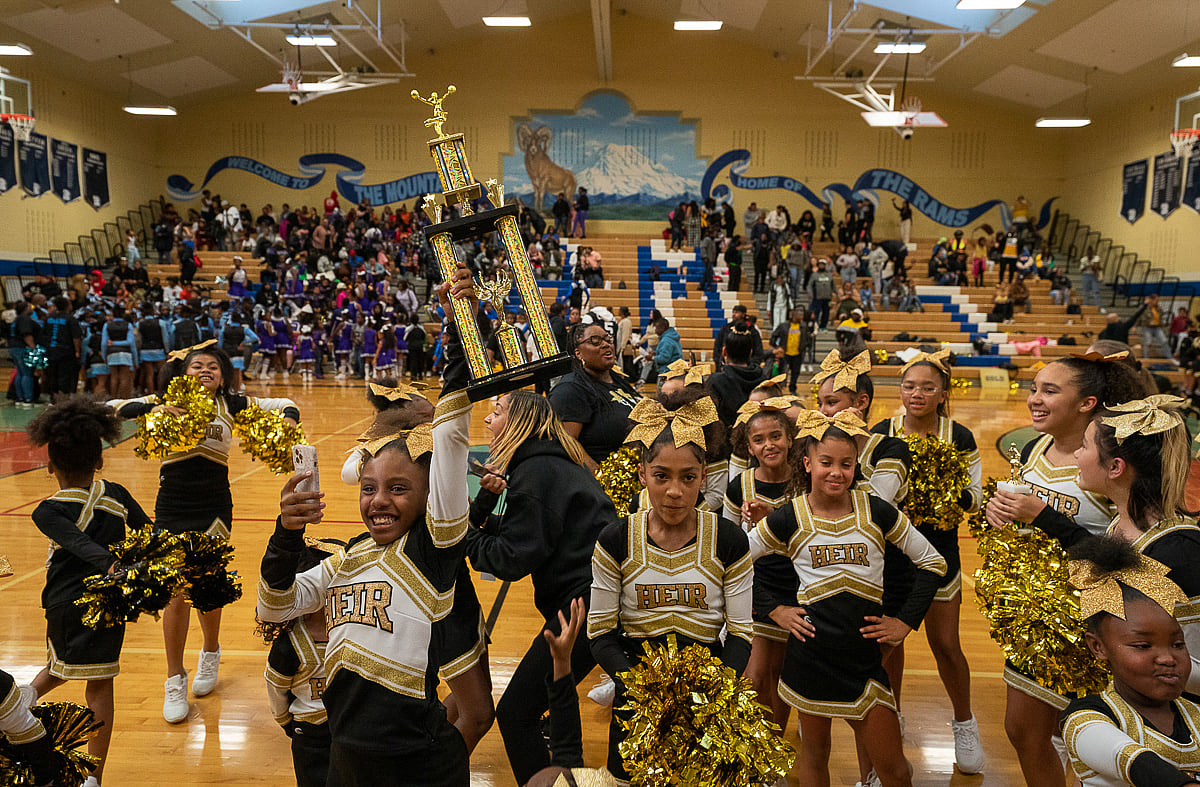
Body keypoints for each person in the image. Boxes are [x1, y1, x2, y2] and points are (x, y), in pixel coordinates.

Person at [258, 274, 475, 785]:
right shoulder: (347, 558)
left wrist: (461, 330)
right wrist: (285, 533)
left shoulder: (432, 548)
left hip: (417, 764)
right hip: (344, 758)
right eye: (370, 487)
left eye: (399, 489)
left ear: (427, 496)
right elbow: (274, 605)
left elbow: (451, 439)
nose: (379, 500)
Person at [748, 410, 947, 787]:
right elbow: (735, 565)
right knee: (814, 756)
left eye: (846, 463)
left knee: (894, 768)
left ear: (857, 464)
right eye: (825, 463)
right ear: (806, 463)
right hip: (811, 656)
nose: (836, 472)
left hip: (863, 660)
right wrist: (775, 610)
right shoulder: (788, 517)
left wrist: (905, 621)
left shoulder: (876, 511)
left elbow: (932, 562)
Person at [110, 345, 300, 724]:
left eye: (213, 366)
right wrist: (151, 409)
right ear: (183, 372)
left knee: (207, 586)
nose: (205, 370)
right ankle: (173, 677)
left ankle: (210, 652)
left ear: (223, 374)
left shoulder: (232, 404)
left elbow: (284, 402)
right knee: (175, 594)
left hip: (214, 507)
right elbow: (111, 408)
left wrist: (290, 422)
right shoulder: (164, 399)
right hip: (171, 505)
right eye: (197, 365)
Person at [984, 356, 1146, 787]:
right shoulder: (1037, 447)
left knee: (1083, 740)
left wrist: (1043, 516)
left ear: (1086, 403)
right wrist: (998, 513)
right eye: (1034, 388)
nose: (1035, 399)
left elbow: (1130, 557)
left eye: (1050, 391)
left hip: (1092, 620)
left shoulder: (1114, 464)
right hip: (1038, 620)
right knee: (1024, 729)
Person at [589, 398, 753, 783]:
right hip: (637, 698)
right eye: (662, 476)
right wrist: (641, 690)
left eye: (688, 477)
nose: (675, 491)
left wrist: (712, 693)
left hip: (709, 700)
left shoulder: (728, 540)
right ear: (643, 474)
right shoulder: (616, 539)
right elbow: (600, 632)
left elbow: (742, 632)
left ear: (704, 477)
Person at [468, 391, 617, 784]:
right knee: (552, 701)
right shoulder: (551, 463)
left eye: (496, 412)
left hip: (585, 603)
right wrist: (484, 509)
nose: (487, 421)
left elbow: (510, 558)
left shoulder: (536, 473)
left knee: (517, 712)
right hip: (598, 595)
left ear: (519, 422)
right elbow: (540, 533)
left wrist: (465, 537)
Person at [26, 395, 153, 786]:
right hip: (110, 603)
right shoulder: (115, 492)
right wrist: (130, 567)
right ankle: (92, 777)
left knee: (67, 669)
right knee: (85, 677)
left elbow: (142, 538)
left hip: (67, 604)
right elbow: (148, 535)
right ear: (99, 460)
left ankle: (14, 709)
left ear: (50, 465)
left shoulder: (46, 509)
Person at [872, 351, 986, 775]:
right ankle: (893, 715)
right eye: (908, 386)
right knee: (888, 642)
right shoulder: (880, 433)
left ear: (943, 393)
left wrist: (941, 492)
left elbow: (975, 497)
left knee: (946, 645)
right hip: (890, 554)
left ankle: (964, 722)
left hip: (938, 552)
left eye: (926, 387)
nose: (916, 394)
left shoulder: (961, 436)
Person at [1070, 395, 1200, 678]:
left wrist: (1117, 657)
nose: (1076, 455)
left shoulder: (1179, 551)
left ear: (1116, 467)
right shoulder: (1119, 524)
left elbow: (1194, 661)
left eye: (1083, 446)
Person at [1061, 537, 1200, 785]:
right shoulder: (1086, 718)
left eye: (1177, 644)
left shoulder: (1195, 715)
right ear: (1097, 647)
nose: (1168, 658)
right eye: (1143, 646)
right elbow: (1137, 763)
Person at [722, 400, 804, 730]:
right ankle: (763, 758)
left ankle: (774, 753)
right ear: (749, 447)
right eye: (759, 440)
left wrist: (770, 521)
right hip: (756, 590)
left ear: (790, 439)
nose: (769, 444)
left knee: (782, 680)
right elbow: (725, 550)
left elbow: (814, 539)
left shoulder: (807, 481)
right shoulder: (739, 485)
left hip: (801, 588)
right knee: (754, 679)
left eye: (776, 436)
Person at [262, 538, 345, 787]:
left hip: (350, 726)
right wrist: (286, 722)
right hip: (309, 736)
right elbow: (276, 690)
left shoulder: (352, 628)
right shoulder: (289, 646)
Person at [548, 322, 642, 469]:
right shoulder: (571, 389)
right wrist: (601, 480)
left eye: (608, 339)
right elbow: (567, 445)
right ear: (578, 353)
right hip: (605, 487)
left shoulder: (617, 379)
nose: (605, 345)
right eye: (595, 341)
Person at [709, 327, 765, 428]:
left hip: (725, 440)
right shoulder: (765, 380)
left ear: (724, 351)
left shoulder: (715, 382)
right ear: (750, 352)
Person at [43, 296, 82, 398]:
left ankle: (53, 398)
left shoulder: (49, 318)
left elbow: (44, 334)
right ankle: (63, 398)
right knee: (64, 376)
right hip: (66, 352)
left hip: (50, 350)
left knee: (52, 376)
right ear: (67, 306)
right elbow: (76, 336)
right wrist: (77, 351)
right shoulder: (71, 319)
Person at [770, 308, 810, 394]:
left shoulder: (803, 326)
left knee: (795, 373)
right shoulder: (784, 326)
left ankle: (792, 389)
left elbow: (807, 339)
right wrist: (777, 347)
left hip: (798, 354)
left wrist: (804, 347)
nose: (801, 316)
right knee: (782, 372)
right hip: (785, 354)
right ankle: (779, 389)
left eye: (802, 315)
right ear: (793, 315)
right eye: (799, 315)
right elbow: (773, 336)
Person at [1138, 294, 1173, 361]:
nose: (1157, 302)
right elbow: (1142, 317)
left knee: (1164, 341)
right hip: (1147, 327)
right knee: (1148, 343)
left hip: (1157, 327)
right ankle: (1146, 358)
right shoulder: (1146, 308)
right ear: (1151, 300)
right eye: (1156, 300)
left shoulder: (1158, 308)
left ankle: (1170, 357)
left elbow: (1161, 314)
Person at [808, 258, 834, 330]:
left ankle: (823, 326)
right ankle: (815, 325)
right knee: (816, 311)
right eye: (820, 265)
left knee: (826, 312)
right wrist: (810, 293)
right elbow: (809, 285)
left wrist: (836, 293)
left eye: (823, 265)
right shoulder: (814, 275)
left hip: (827, 297)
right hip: (818, 296)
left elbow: (833, 285)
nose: (822, 266)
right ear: (818, 265)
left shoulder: (829, 275)